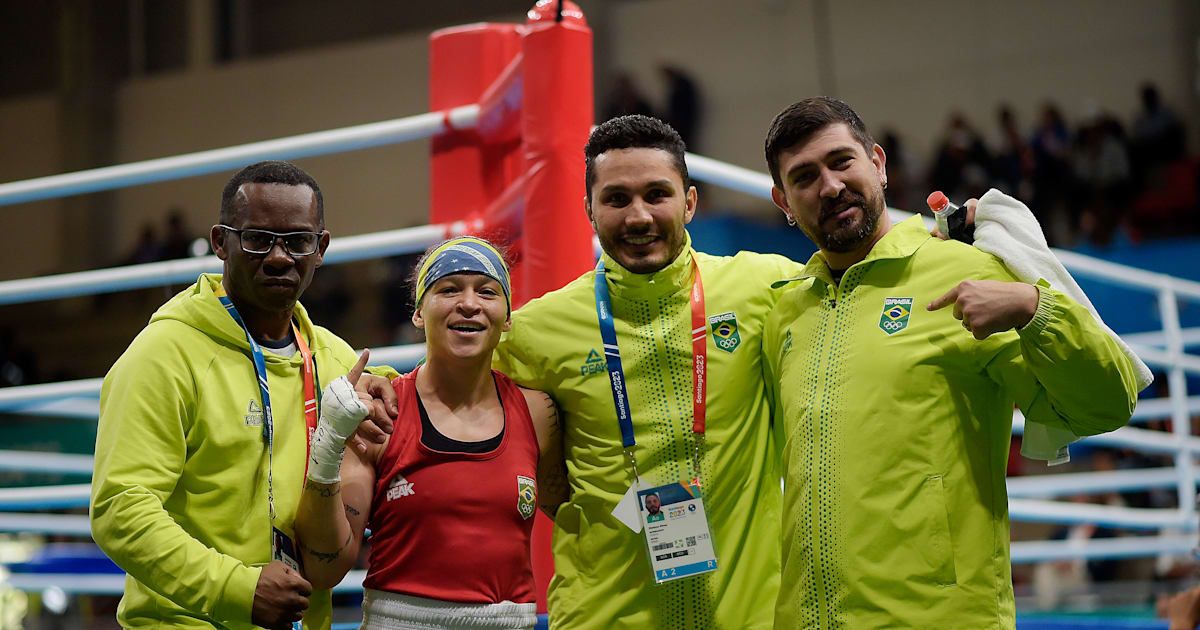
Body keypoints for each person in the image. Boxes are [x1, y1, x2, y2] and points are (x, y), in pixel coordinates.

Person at [761, 96, 1141, 628]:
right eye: (804, 177)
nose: (829, 186)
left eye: (841, 162)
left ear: (878, 163)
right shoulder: (787, 312)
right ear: (783, 200)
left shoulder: (966, 269)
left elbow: (1106, 405)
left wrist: (1036, 308)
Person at [493, 114, 805, 629]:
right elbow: (440, 384)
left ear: (689, 202)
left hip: (747, 614)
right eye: (616, 199)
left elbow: (859, 283)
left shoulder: (763, 286)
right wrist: (382, 387)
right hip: (605, 615)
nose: (638, 216)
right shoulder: (537, 329)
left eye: (656, 194)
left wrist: (970, 243)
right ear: (589, 210)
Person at [90, 161, 399, 630]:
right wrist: (235, 587)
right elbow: (120, 510)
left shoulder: (333, 358)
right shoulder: (162, 356)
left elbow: (392, 388)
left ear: (321, 249)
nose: (279, 257)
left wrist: (384, 382)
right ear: (220, 242)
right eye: (257, 239)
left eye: (297, 242)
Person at [294, 236, 566, 630]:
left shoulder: (538, 413)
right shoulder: (380, 418)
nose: (469, 303)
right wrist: (328, 446)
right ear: (419, 312)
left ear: (507, 317)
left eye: (487, 291)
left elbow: (573, 513)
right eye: (449, 288)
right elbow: (324, 570)